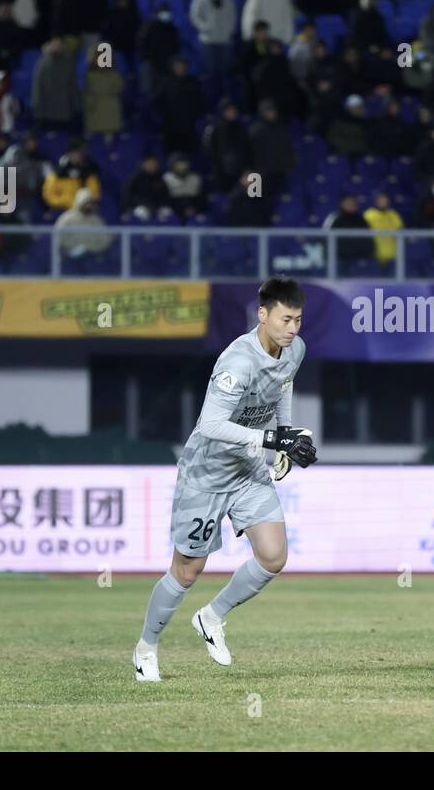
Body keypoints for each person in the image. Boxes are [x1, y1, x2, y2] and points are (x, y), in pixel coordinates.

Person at [133, 277, 317, 681]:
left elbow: (283, 385)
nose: (292, 329)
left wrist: (285, 438)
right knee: (187, 570)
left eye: (299, 320)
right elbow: (211, 424)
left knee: (273, 556)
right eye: (286, 320)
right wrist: (271, 438)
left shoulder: (294, 350)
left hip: (248, 470)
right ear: (263, 315)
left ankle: (211, 616)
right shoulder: (237, 362)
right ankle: (146, 647)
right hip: (208, 472)